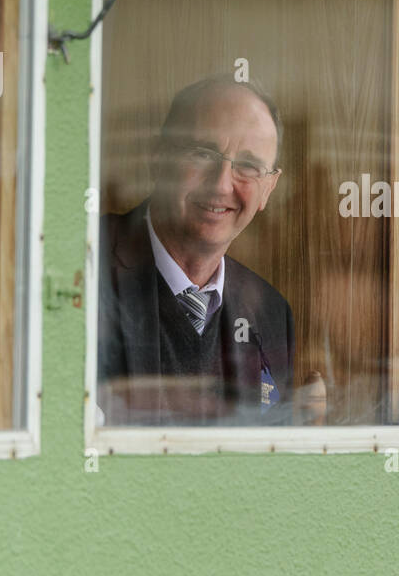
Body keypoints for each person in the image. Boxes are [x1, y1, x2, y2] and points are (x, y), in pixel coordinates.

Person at [98, 75, 295, 425]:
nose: (221, 184)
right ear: (158, 159)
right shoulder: (84, 264)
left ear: (268, 188)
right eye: (203, 153)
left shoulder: (270, 312)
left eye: (248, 166)